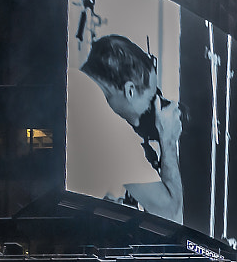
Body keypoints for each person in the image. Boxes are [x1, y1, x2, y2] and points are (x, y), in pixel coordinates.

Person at [77, 33, 184, 222]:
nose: (153, 108)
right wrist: (168, 139)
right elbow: (172, 214)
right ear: (130, 91)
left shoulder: (70, 79)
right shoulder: (114, 133)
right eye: (151, 99)